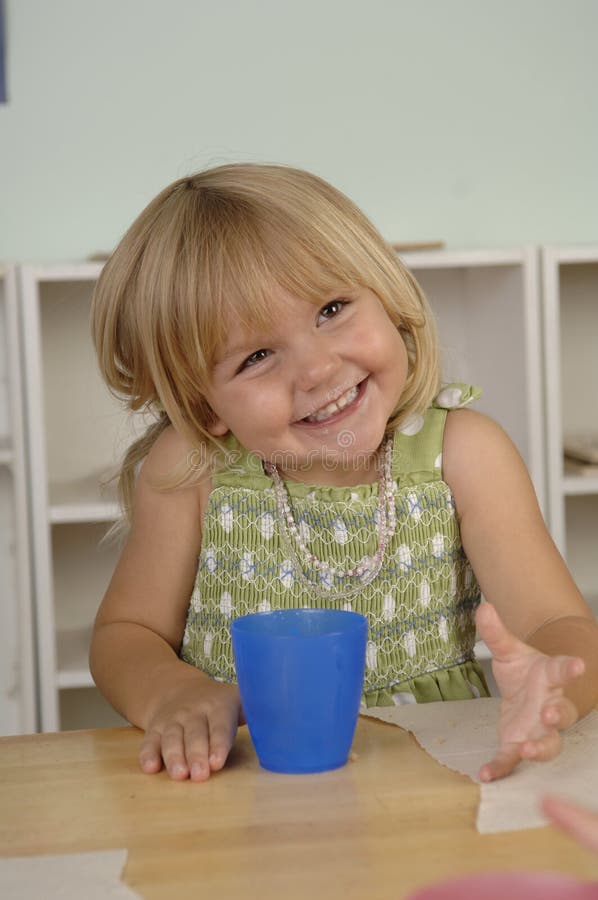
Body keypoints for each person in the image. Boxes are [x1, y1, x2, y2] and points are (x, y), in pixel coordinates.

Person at [89, 163, 598, 783]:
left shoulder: (464, 455)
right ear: (204, 407)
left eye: (331, 308)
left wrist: (554, 690)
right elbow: (127, 631)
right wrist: (169, 692)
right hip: (244, 784)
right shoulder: (191, 472)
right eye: (256, 356)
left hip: (430, 778)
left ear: (387, 297)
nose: (317, 370)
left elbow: (557, 623)